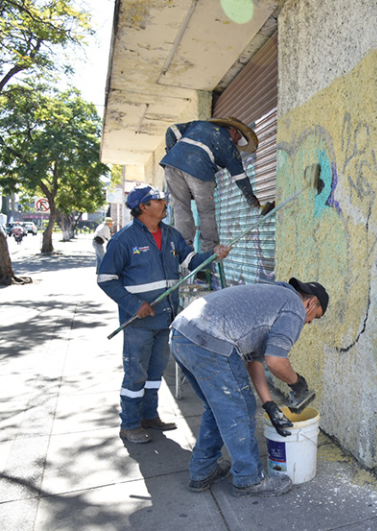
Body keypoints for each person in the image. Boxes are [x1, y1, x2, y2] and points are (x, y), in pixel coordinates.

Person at [169, 278, 329, 497]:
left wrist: (269, 404)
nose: (309, 323)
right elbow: (275, 361)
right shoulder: (294, 307)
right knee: (240, 410)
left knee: (218, 408)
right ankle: (249, 479)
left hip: (182, 334)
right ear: (311, 303)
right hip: (209, 341)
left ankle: (203, 469)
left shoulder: (272, 299)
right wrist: (297, 383)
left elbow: (257, 362)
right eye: (315, 317)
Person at [97, 185, 231, 444]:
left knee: (156, 371)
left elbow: (191, 261)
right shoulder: (123, 240)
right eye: (158, 199)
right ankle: (130, 424)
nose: (165, 202)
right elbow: (106, 279)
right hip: (138, 321)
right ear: (143, 207)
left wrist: (212, 256)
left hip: (166, 318)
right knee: (136, 373)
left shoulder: (170, 234)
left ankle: (149, 416)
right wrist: (133, 304)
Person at [160, 116, 274, 253]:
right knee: (206, 212)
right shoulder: (228, 143)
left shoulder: (198, 125)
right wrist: (249, 196)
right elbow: (240, 176)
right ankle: (209, 252)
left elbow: (171, 130)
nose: (236, 143)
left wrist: (172, 152)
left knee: (180, 208)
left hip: (171, 166)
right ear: (234, 130)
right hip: (199, 169)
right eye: (238, 139)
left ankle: (183, 250)